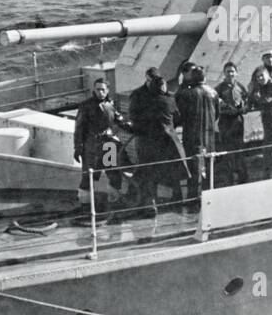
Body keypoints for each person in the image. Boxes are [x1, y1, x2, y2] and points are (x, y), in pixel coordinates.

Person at [127, 68, 188, 211]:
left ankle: (153, 203)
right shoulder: (142, 95)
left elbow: (134, 119)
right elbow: (178, 117)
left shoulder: (163, 97)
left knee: (158, 172)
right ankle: (158, 201)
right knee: (156, 172)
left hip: (153, 140)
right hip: (158, 140)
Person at [73, 78, 132, 210]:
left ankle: (113, 199)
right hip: (91, 147)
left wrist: (134, 128)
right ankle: (85, 203)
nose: (100, 92)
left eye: (103, 89)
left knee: (113, 173)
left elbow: (120, 120)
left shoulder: (110, 104)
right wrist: (78, 147)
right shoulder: (85, 106)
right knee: (88, 176)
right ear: (94, 90)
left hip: (108, 145)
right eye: (97, 89)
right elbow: (79, 128)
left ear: (107, 90)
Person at [175, 65, 219, 199]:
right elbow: (216, 114)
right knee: (209, 168)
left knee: (194, 170)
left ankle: (192, 198)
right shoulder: (213, 92)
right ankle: (208, 197)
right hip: (209, 137)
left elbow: (180, 116)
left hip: (192, 137)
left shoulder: (186, 94)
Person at [214, 62, 251, 185]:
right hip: (226, 123)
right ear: (224, 73)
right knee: (228, 152)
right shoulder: (218, 89)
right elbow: (216, 107)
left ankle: (243, 179)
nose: (230, 74)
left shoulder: (240, 87)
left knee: (240, 150)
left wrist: (242, 109)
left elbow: (247, 103)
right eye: (228, 71)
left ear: (236, 73)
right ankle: (229, 180)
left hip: (238, 122)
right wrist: (228, 110)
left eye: (232, 71)